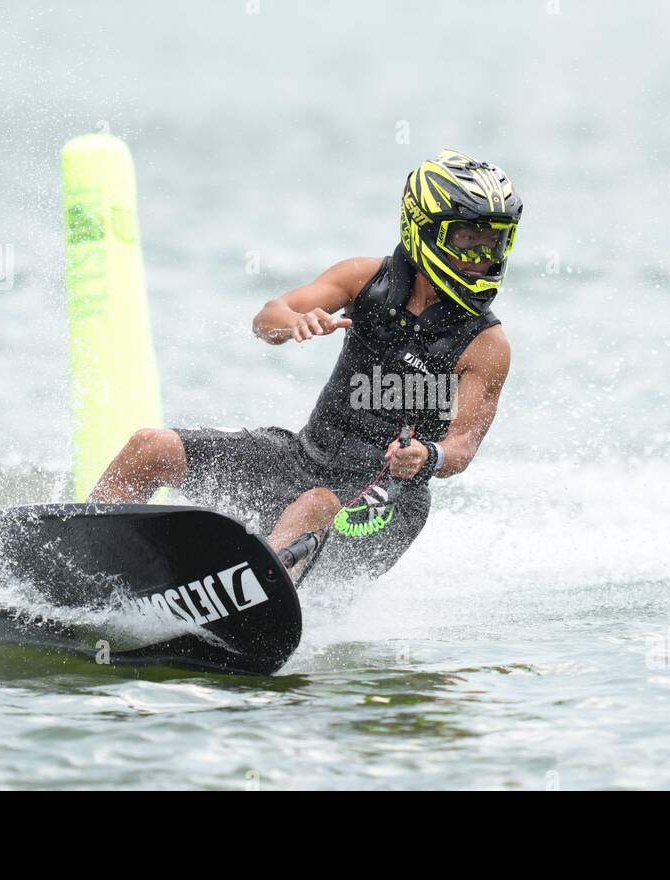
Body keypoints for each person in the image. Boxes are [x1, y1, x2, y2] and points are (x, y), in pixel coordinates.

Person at [90, 149, 523, 584]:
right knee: (150, 447)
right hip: (303, 459)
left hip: (388, 501)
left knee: (315, 504)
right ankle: (81, 564)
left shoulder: (486, 344)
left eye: (495, 242)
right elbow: (268, 317)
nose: (483, 257)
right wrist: (293, 323)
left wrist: (427, 455)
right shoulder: (364, 278)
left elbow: (462, 446)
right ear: (423, 228)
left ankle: (254, 602)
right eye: (468, 239)